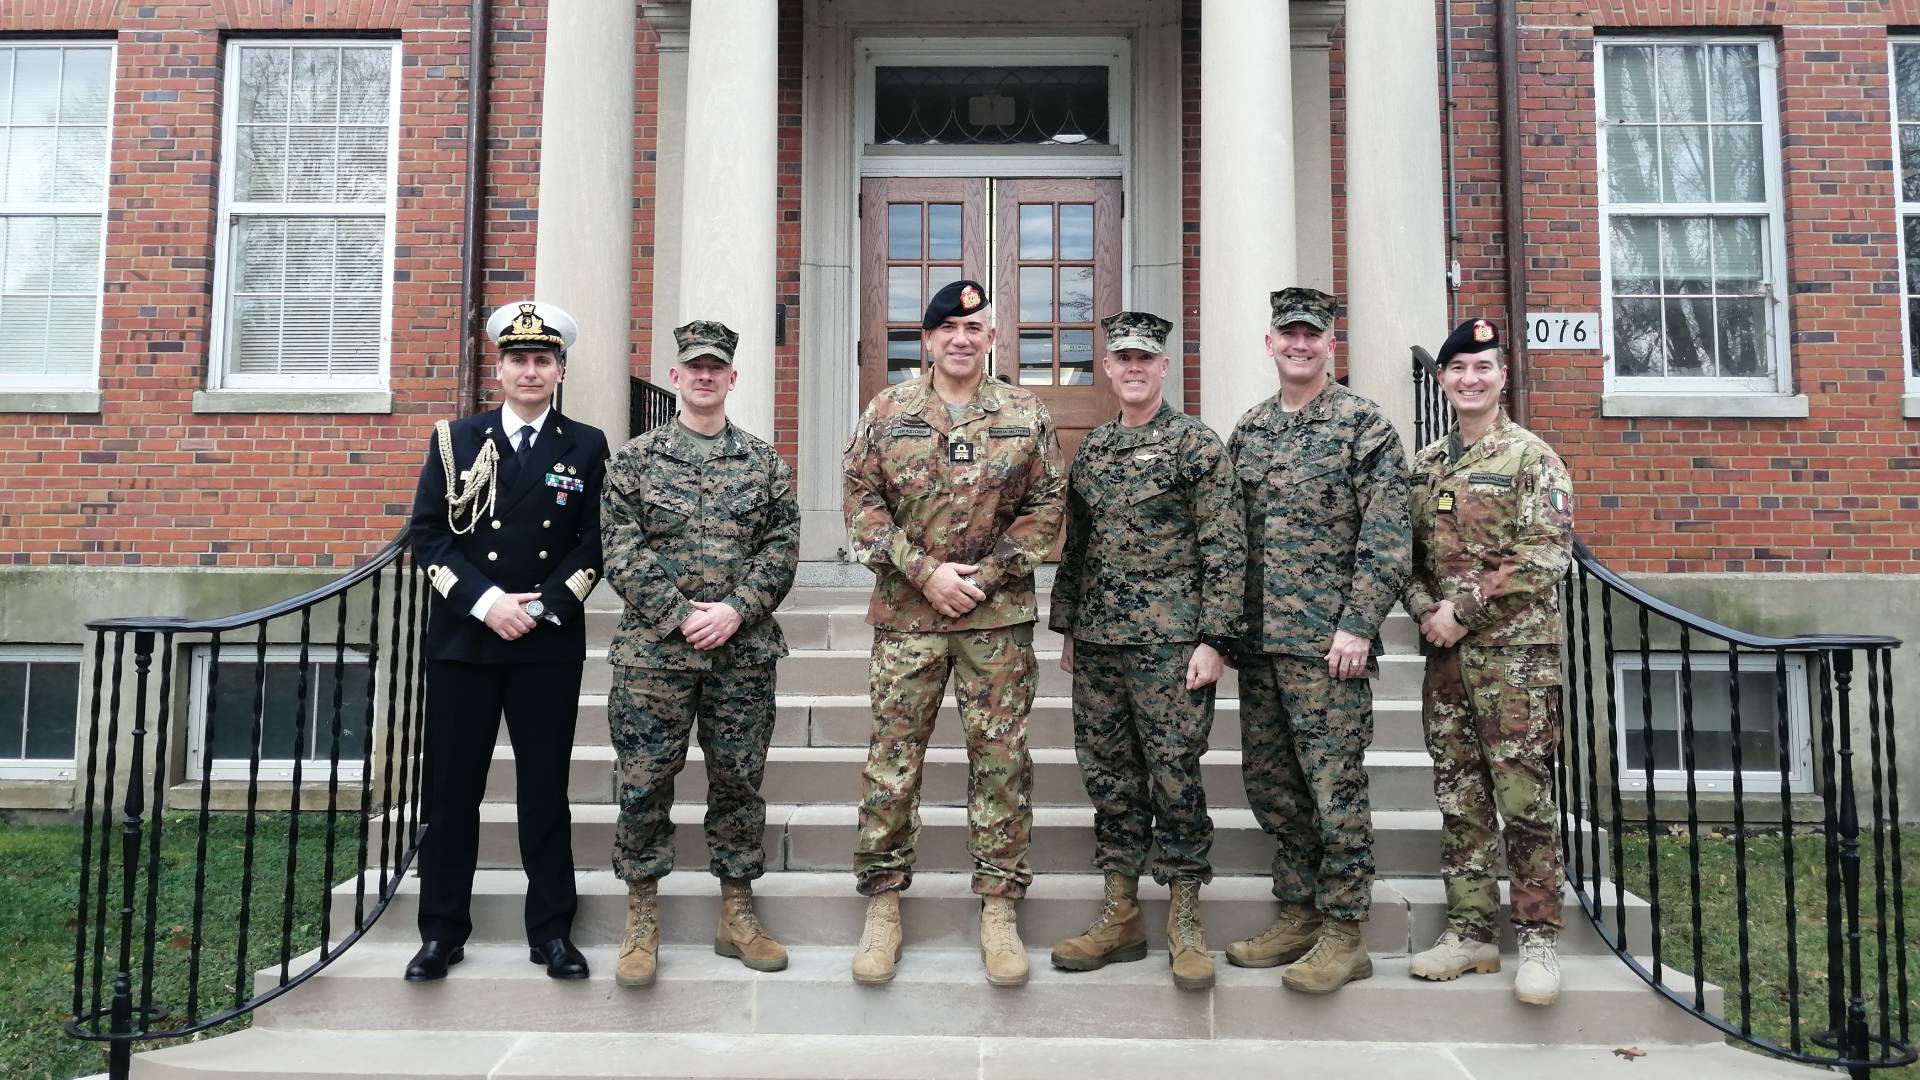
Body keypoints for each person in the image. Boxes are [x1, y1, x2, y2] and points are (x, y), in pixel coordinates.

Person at [841, 279, 1066, 988]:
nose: (962, 339)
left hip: (995, 621)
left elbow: (1046, 507)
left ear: (992, 339)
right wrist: (926, 573)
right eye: (949, 328)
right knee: (892, 760)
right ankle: (883, 903)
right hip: (909, 618)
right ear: (928, 339)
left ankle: (999, 907)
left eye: (976, 328)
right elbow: (860, 502)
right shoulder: (889, 409)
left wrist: (986, 576)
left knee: (1001, 761)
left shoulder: (1026, 412)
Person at [406, 300, 609, 982]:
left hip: (546, 643)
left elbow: (594, 543)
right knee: (452, 791)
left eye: (542, 360)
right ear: (499, 369)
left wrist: (545, 605)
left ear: (559, 370)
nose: (530, 370)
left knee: (544, 790)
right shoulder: (454, 440)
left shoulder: (585, 445)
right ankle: (440, 931)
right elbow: (429, 535)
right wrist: (488, 603)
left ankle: (551, 930)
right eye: (518, 359)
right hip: (467, 638)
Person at [1047, 310, 1245, 991]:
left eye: (1145, 359)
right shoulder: (1095, 450)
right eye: (1122, 358)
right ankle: (1121, 911)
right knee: (1110, 781)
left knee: (1175, 778)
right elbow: (1077, 549)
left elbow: (1225, 547)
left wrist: (1216, 639)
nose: (1133, 368)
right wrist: (1068, 625)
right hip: (1100, 646)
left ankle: (1185, 916)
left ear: (1164, 368)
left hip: (1172, 645)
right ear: (1107, 368)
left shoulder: (1196, 446)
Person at [598, 320, 800, 988]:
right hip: (655, 656)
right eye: (694, 367)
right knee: (644, 783)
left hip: (741, 656)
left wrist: (737, 609)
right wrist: (681, 615)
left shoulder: (766, 465)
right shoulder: (633, 461)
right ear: (677, 378)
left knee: (739, 783)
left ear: (732, 379)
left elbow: (782, 547)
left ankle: (737, 910)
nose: (706, 376)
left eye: (717, 367)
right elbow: (619, 546)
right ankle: (642, 915)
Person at [1224, 286, 1410, 995]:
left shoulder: (1364, 426)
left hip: (1329, 647)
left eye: (1313, 335)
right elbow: (1230, 536)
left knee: (1336, 792)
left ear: (1330, 345)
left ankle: (1345, 930)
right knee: (1274, 789)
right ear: (1270, 343)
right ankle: (1298, 912)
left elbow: (1387, 537)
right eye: (1288, 334)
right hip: (1262, 645)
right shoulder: (1250, 430)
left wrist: (1359, 623)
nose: (1299, 345)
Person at [1404, 317, 1574, 1006]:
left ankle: (1536, 938)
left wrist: (1461, 610)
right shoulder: (1425, 466)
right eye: (1458, 369)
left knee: (1523, 800)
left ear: (1502, 377)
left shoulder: (1533, 458)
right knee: (1460, 799)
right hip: (1447, 664)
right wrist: (1424, 611)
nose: (1470, 379)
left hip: (1517, 663)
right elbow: (1406, 560)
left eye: (1483, 367)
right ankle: (1471, 930)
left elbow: (1546, 554)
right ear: (1443, 380)